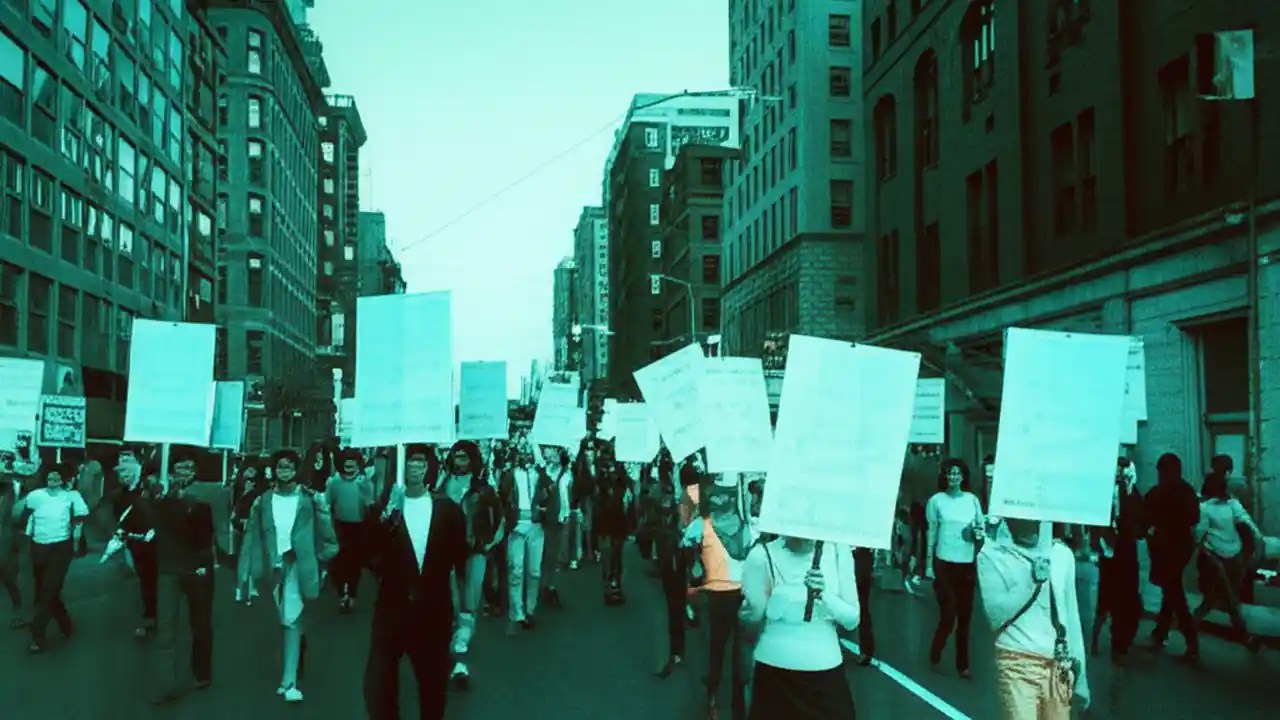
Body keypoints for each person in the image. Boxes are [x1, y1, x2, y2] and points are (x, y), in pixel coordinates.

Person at [363, 443, 467, 720]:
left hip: (433, 610)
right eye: (409, 462)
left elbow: (458, 559)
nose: (415, 468)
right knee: (379, 682)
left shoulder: (446, 509)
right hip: (392, 608)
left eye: (421, 463)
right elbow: (371, 556)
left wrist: (462, 610)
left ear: (429, 468)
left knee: (432, 685)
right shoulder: (386, 508)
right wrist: (386, 518)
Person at [241, 449, 340, 703]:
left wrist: (320, 559)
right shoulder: (262, 501)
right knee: (282, 620)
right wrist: (246, 573)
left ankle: (290, 680)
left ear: (296, 470)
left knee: (292, 619)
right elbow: (252, 536)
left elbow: (328, 534)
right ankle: (288, 674)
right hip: (271, 567)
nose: (283, 470)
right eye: (279, 466)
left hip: (298, 565)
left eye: (288, 466)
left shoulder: (309, 498)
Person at [979, 518, 1089, 719]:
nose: (1027, 523)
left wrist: (1081, 681)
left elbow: (1071, 618)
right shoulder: (992, 555)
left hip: (1058, 666)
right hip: (1016, 660)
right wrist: (1032, 580)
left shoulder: (1061, 555)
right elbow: (994, 615)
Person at [739, 535, 859, 719]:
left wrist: (824, 594)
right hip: (774, 675)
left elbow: (852, 620)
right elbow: (753, 619)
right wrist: (747, 611)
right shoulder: (761, 555)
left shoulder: (837, 549)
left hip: (826, 673)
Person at [149, 449, 218, 704]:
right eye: (179, 468)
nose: (183, 473)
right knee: (165, 628)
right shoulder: (159, 495)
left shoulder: (206, 495)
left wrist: (183, 501)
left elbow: (203, 532)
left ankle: (202, 672)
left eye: (188, 468)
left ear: (196, 471)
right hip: (169, 568)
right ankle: (165, 684)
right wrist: (161, 498)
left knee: (200, 624)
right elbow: (147, 517)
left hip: (198, 568)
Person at [437, 440, 504, 689]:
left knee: (469, 604)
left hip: (475, 552)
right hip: (446, 553)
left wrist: (489, 544)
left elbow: (499, 519)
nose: (460, 461)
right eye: (456, 457)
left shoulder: (484, 489)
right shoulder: (442, 486)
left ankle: (460, 653)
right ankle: (456, 658)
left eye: (464, 457)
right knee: (451, 603)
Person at [16, 463, 89, 653]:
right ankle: (66, 625)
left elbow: (80, 519)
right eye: (50, 477)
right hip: (38, 548)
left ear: (62, 479)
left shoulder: (71, 496)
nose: (53, 480)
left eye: (57, 477)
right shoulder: (35, 496)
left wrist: (75, 543)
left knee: (48, 590)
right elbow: (24, 520)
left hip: (61, 549)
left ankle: (38, 635)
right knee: (45, 591)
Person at [925, 458, 984, 678]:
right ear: (944, 477)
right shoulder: (936, 501)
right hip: (943, 562)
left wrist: (977, 534)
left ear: (963, 477)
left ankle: (963, 664)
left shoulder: (972, 500)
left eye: (957, 474)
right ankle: (937, 647)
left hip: (966, 564)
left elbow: (981, 529)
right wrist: (928, 565)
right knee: (948, 613)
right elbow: (931, 533)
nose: (953, 477)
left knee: (965, 617)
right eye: (949, 474)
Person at [1194, 470, 1262, 650]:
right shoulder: (1229, 503)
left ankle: (1190, 626)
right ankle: (1244, 635)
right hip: (1230, 555)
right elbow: (1245, 522)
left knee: (1216, 599)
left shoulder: (1206, 507)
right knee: (1230, 598)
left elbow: (1199, 534)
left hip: (1218, 555)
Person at [1144, 452, 1200, 660]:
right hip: (1181, 549)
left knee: (1175, 595)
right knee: (1171, 592)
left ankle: (1191, 641)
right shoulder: (1187, 491)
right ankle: (1161, 632)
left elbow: (1145, 522)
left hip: (1164, 550)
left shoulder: (1156, 494)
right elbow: (1195, 518)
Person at [1090, 457, 1145, 661]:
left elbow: (1139, 521)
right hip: (1112, 554)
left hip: (1125, 555)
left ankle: (1118, 641)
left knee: (1122, 599)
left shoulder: (1131, 493)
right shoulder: (1108, 494)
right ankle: (1101, 640)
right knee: (1107, 599)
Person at [497, 437, 553, 633]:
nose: (524, 454)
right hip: (516, 526)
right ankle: (517, 612)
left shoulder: (540, 474)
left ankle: (530, 609)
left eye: (528, 451)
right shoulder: (509, 474)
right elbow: (502, 495)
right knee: (516, 570)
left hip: (536, 526)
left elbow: (550, 490)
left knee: (534, 571)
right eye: (521, 451)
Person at [111, 445, 159, 638]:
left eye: (127, 470)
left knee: (152, 579)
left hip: (153, 541)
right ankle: (151, 613)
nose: (124, 474)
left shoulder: (150, 487)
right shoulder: (119, 493)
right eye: (120, 470)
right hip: (133, 542)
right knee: (144, 578)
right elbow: (119, 517)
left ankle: (152, 616)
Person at [326, 448, 374, 613]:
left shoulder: (364, 481)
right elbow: (327, 505)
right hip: (339, 526)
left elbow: (370, 504)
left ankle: (352, 593)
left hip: (358, 527)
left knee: (354, 564)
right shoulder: (334, 482)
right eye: (347, 461)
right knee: (338, 564)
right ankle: (341, 593)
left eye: (353, 461)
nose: (350, 465)